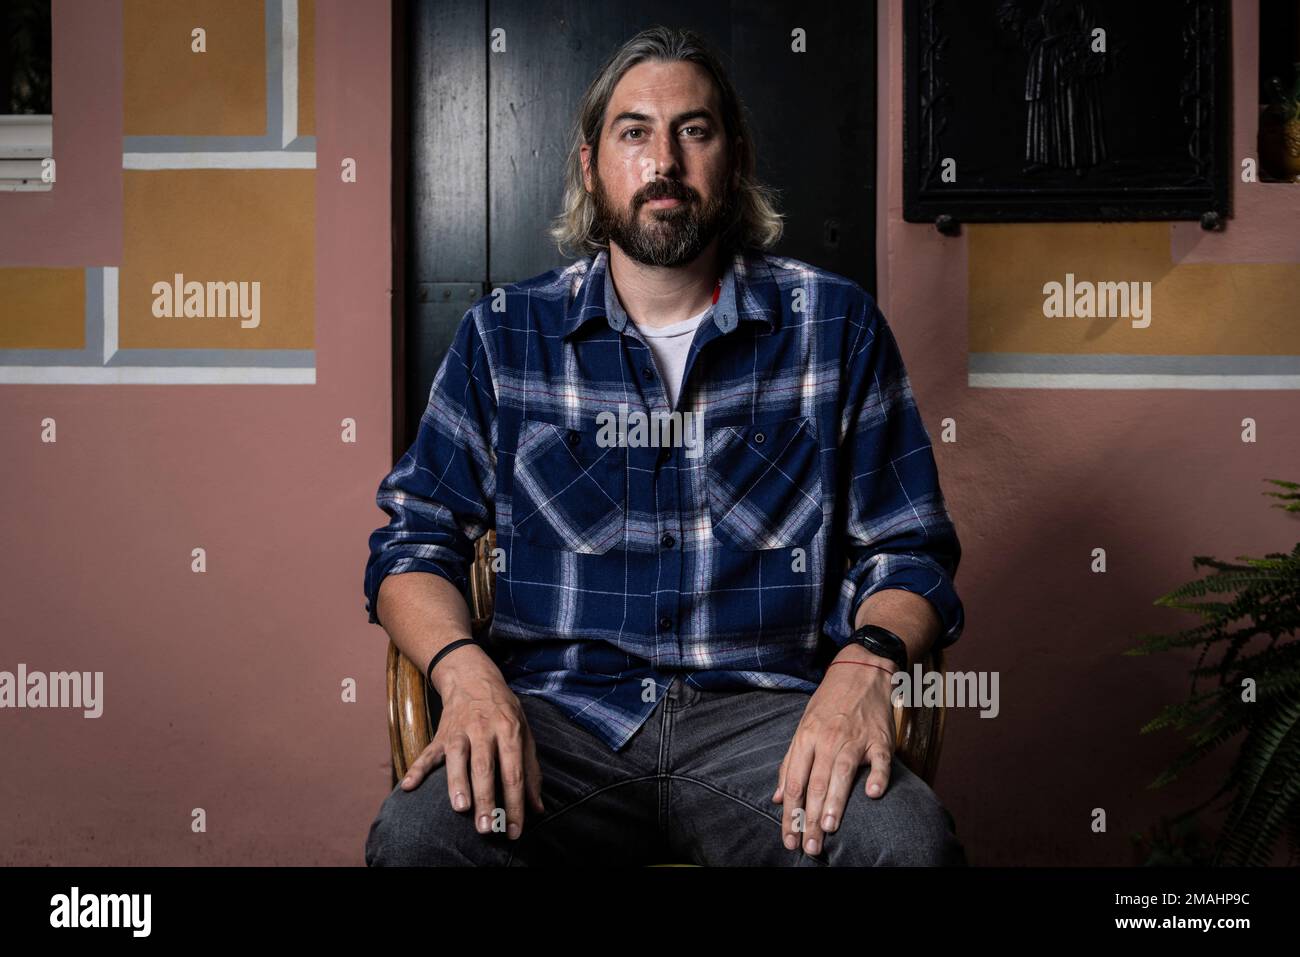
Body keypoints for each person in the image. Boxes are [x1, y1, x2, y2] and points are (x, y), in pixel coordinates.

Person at [362, 25, 968, 866]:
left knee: (904, 843)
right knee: (419, 837)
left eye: (694, 130)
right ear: (591, 165)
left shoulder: (835, 328)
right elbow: (409, 545)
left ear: (735, 157)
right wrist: (465, 675)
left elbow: (912, 553)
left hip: (767, 728)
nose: (665, 161)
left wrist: (862, 668)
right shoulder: (505, 337)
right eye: (634, 131)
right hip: (558, 724)